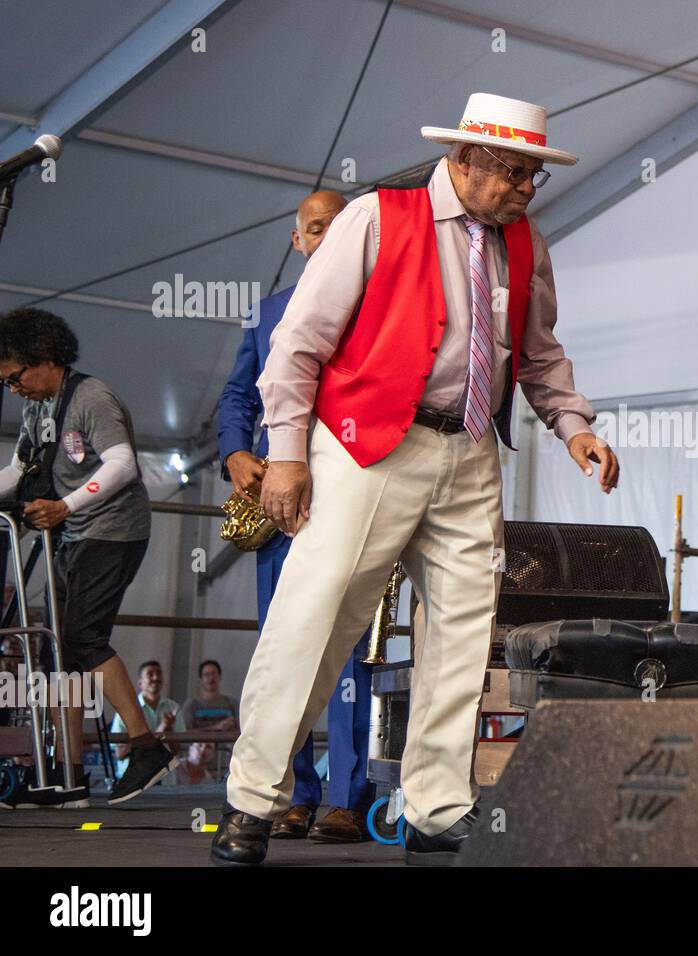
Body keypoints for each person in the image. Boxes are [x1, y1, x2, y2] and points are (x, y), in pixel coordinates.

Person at [211, 93, 618, 867]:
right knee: (313, 617)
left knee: (463, 634)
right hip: (365, 446)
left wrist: (575, 426)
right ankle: (252, 801)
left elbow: (537, 352)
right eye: (515, 170)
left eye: (536, 173)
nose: (529, 186)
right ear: (464, 159)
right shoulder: (376, 216)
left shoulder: (523, 241)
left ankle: (436, 806)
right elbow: (297, 344)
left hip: (467, 450)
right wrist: (290, 451)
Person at [216, 190, 376, 843]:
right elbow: (235, 394)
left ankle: (349, 798)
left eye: (335, 226)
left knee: (347, 650)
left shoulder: (375, 309)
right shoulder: (267, 314)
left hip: (350, 496)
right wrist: (233, 452)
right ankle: (294, 794)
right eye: (312, 228)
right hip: (278, 503)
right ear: (296, 239)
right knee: (282, 646)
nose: (322, 236)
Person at [0, 309, 173, 808]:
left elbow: (122, 463)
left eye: (16, 378)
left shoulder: (91, 398)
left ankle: (146, 748)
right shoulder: (39, 408)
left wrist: (65, 505)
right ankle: (68, 776)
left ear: (45, 359)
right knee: (60, 650)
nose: (13, 389)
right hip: (72, 532)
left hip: (113, 530)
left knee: (82, 637)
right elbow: (19, 468)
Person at [110, 660, 184, 778]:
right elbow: (120, 753)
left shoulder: (173, 707)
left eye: (159, 673)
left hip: (165, 780)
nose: (156, 677)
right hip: (134, 780)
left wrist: (168, 728)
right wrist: (161, 729)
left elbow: (177, 750)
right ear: (140, 683)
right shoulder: (126, 709)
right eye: (150, 674)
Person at [180, 660, 238, 733]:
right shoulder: (191, 705)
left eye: (214, 674)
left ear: (219, 677)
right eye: (206, 674)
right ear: (201, 679)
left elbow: (242, 731)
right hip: (199, 744)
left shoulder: (232, 703)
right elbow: (185, 733)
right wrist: (217, 727)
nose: (211, 678)